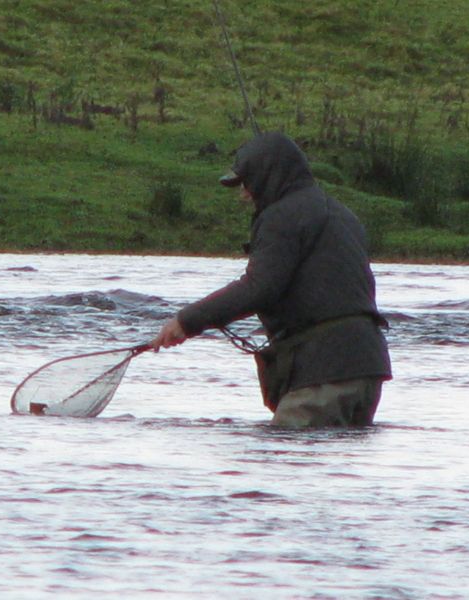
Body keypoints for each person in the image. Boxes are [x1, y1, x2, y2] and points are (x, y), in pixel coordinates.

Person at [151, 131, 391, 428]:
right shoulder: (342, 214)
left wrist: (187, 321)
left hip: (323, 372)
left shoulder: (281, 217)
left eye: (247, 182)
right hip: (367, 368)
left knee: (285, 464)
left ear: (268, 177)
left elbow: (260, 287)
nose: (244, 194)